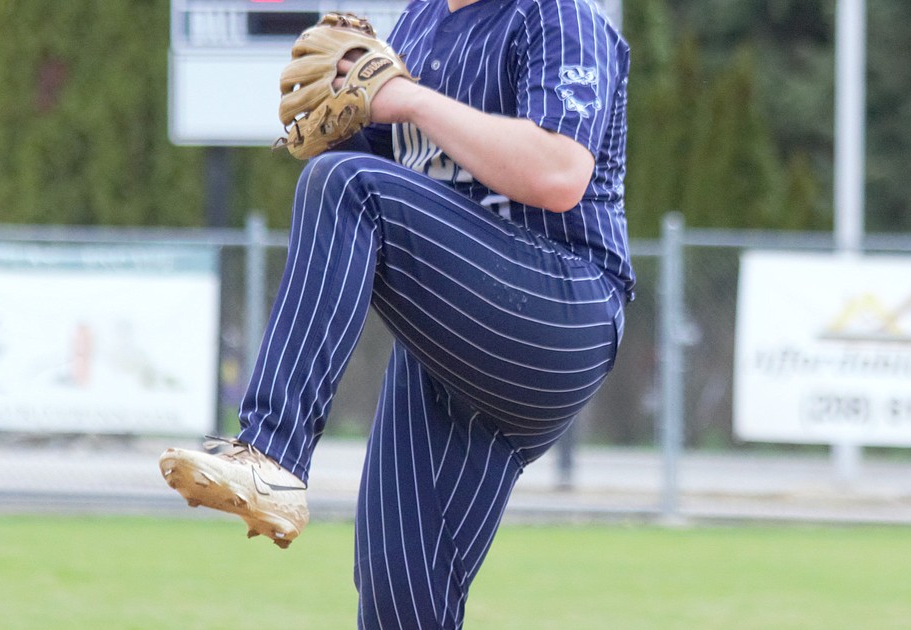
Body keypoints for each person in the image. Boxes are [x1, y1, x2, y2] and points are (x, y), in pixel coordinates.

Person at [160, 0, 632, 626]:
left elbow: (560, 171)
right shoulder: (420, 22)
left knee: (343, 185)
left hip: (558, 307)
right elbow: (393, 174)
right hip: (451, 343)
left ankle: (272, 453)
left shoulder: (558, 15)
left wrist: (407, 99)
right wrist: (350, 118)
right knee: (398, 595)